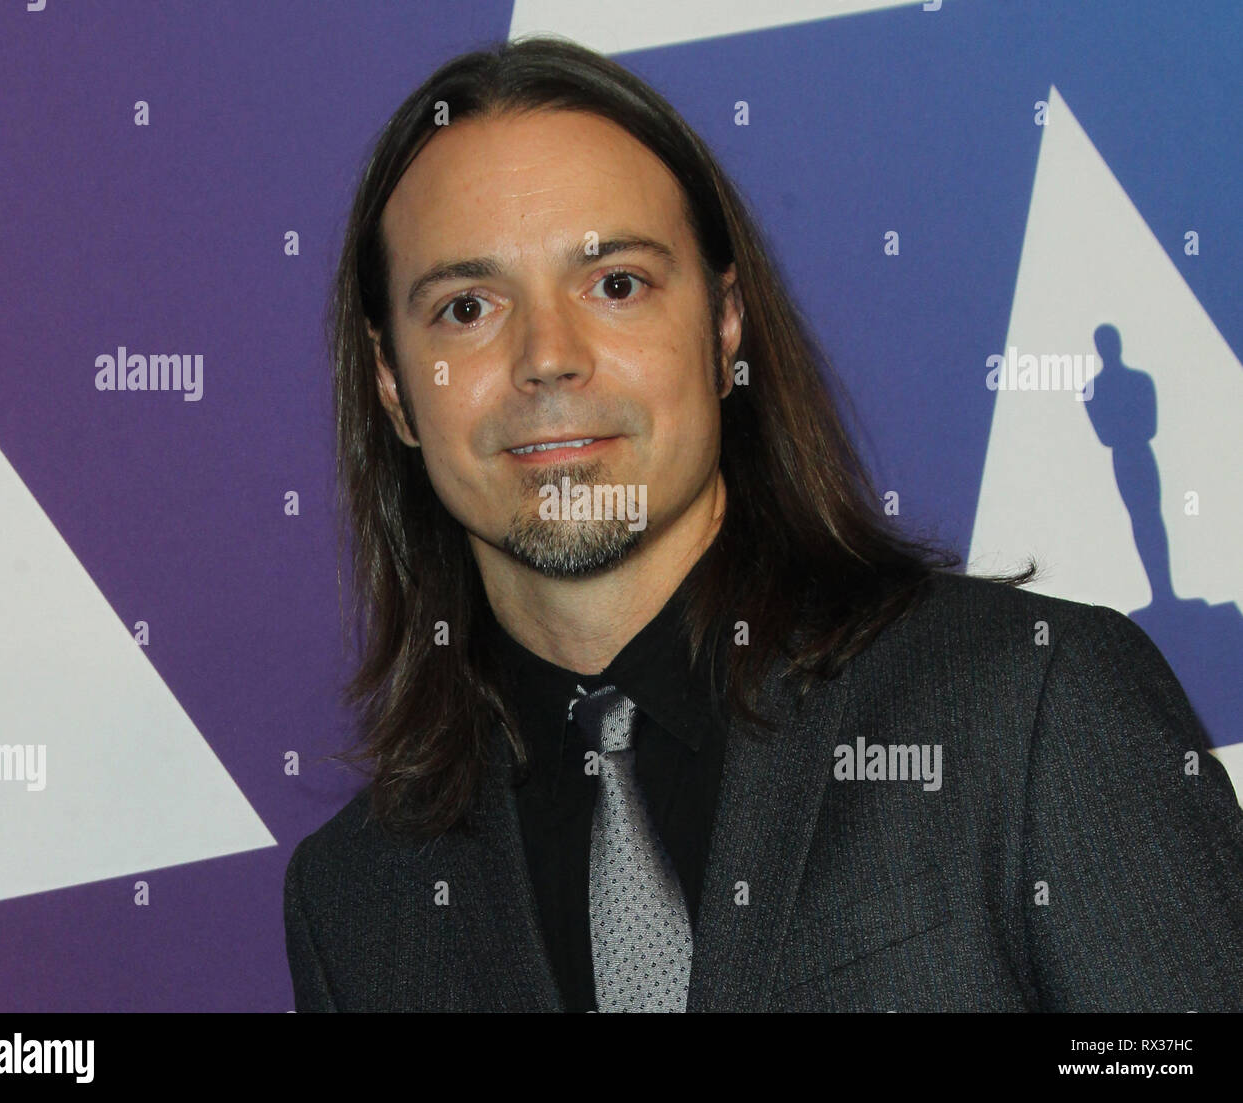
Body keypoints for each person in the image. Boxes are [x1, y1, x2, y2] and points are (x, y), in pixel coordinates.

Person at [283, 35, 1243, 1012]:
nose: (548, 357)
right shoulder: (360, 901)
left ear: (724, 324)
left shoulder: (1031, 707)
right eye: (466, 305)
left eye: (616, 283)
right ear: (394, 387)